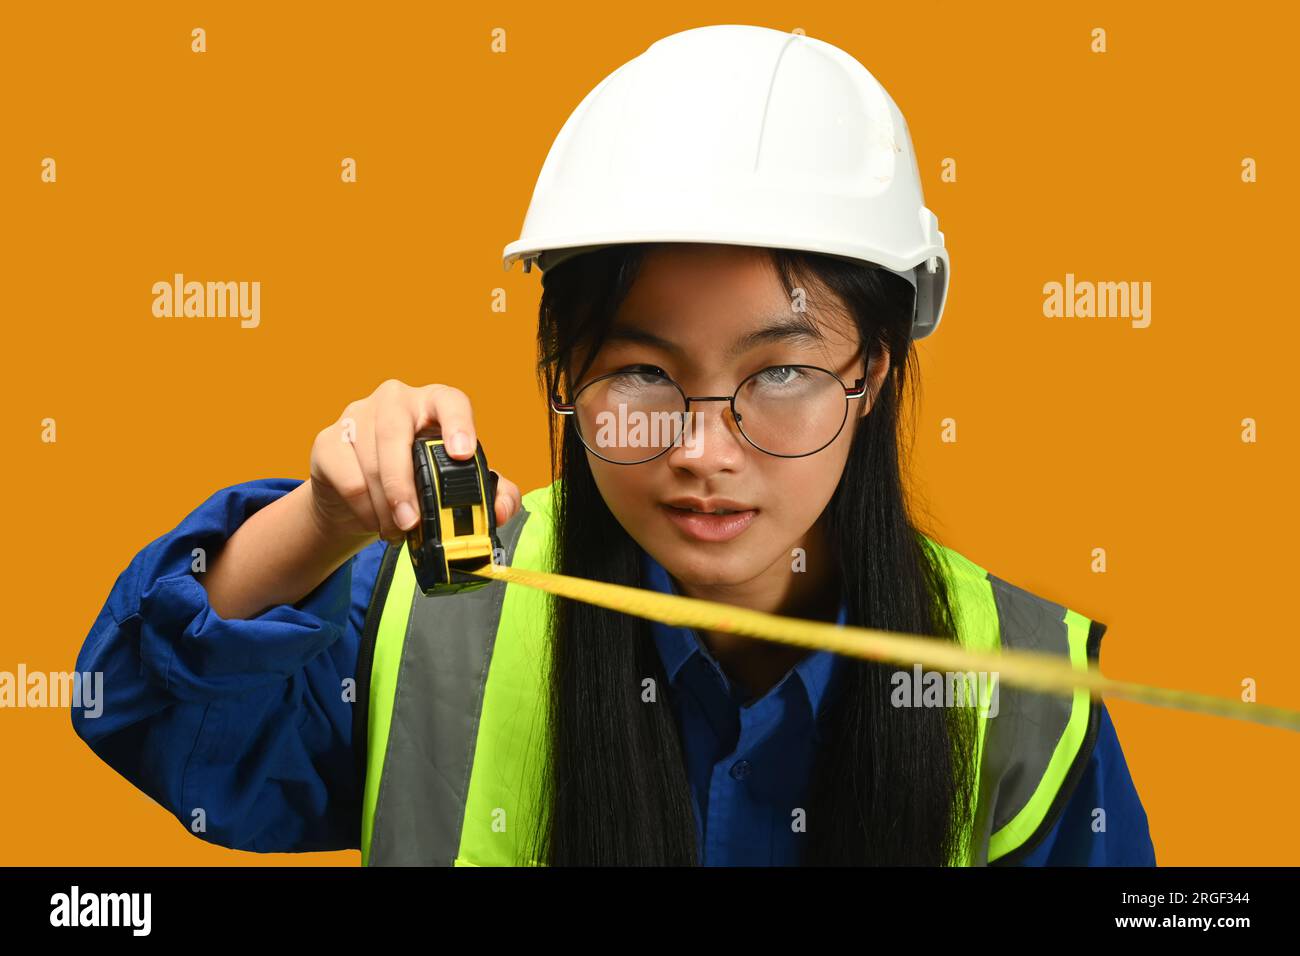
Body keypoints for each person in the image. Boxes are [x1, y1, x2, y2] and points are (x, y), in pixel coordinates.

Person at [71, 24, 1156, 866]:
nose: (701, 449)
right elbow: (139, 711)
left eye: (779, 372)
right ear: (563, 372)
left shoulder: (1021, 693)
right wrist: (322, 519)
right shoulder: (435, 616)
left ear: (871, 370)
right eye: (642, 372)